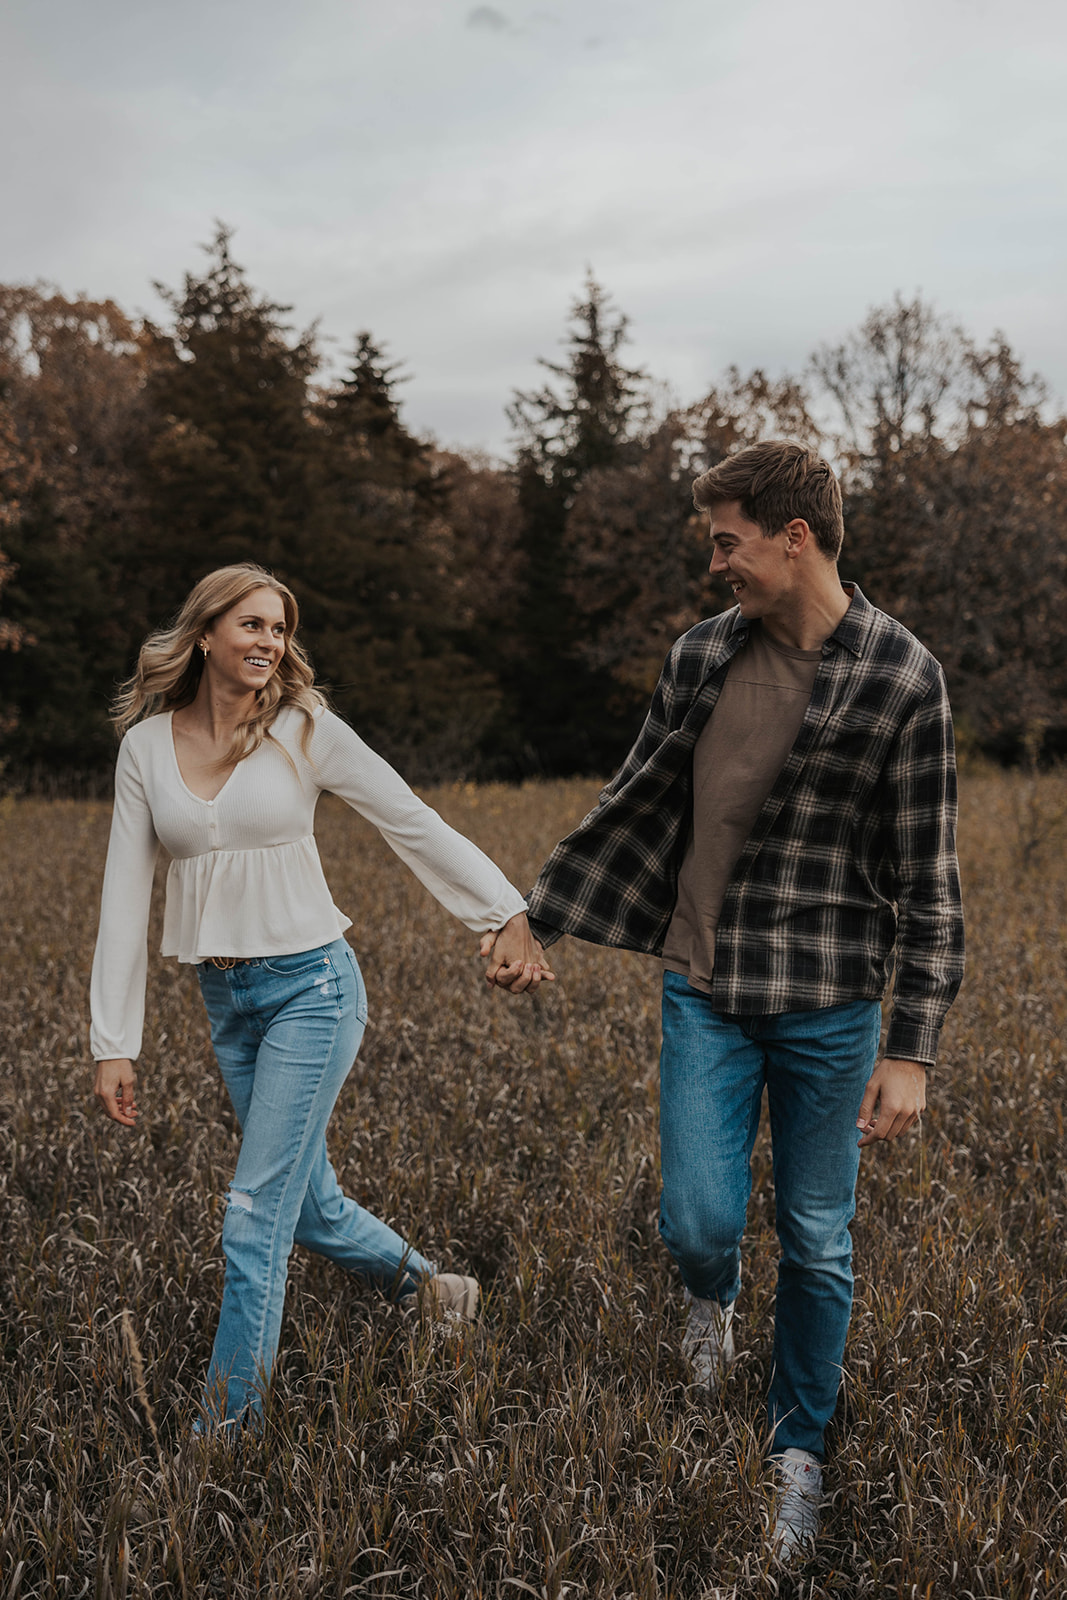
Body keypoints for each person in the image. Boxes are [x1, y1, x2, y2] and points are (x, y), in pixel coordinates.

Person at [483, 441, 964, 1560]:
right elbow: (631, 797)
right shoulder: (701, 653)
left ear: (792, 538)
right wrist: (533, 911)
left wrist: (913, 1048)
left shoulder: (901, 676)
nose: (715, 566)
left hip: (829, 1002)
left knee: (815, 1235)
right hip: (701, 987)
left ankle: (796, 1449)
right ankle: (711, 1294)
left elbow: (928, 882)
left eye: (726, 541)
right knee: (698, 1220)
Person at [91, 562, 550, 1436]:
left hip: (313, 988)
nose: (269, 642)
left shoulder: (305, 728)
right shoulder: (146, 749)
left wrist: (503, 914)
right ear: (204, 635)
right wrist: (115, 1040)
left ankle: (224, 1436)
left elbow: (408, 817)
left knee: (254, 1215)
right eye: (251, 625)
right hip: (227, 999)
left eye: (279, 629)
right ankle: (436, 1288)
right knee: (308, 1206)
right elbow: (122, 895)